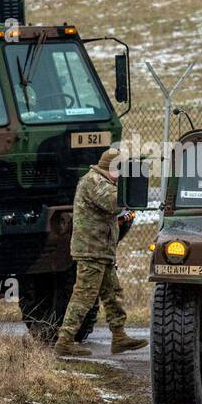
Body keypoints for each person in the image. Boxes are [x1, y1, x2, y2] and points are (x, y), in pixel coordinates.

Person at [56, 148, 148, 358]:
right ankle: (65, 340)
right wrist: (130, 189)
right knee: (84, 296)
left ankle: (119, 336)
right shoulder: (94, 181)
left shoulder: (104, 181)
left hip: (102, 250)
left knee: (112, 294)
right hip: (91, 250)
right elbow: (113, 203)